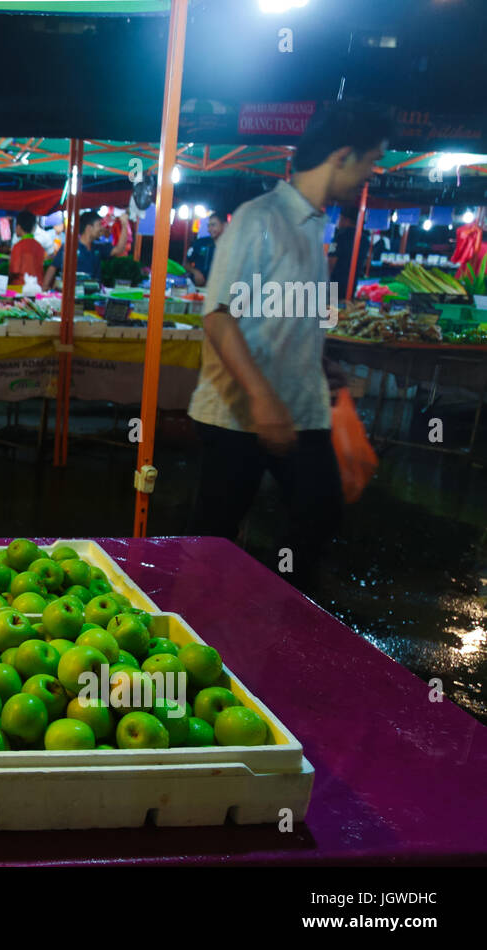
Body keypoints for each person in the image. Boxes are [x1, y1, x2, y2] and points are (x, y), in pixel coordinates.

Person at [186, 100, 391, 593]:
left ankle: (281, 628)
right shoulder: (260, 219)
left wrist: (319, 364)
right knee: (212, 541)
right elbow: (217, 317)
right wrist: (261, 396)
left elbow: (285, 317)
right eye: (370, 160)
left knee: (318, 518)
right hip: (237, 415)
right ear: (342, 156)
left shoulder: (314, 227)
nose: (373, 173)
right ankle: (197, 636)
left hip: (300, 411)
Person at [185, 211, 227, 287]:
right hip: (198, 289)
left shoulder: (231, 246)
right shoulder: (200, 243)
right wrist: (195, 272)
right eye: (208, 226)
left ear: (224, 225)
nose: (209, 229)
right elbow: (186, 264)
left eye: (213, 225)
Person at [8, 210, 47, 287]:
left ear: (18, 227)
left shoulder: (18, 246)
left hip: (20, 287)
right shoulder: (39, 246)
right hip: (37, 287)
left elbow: (14, 270)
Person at [328, 209, 357, 298]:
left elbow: (331, 263)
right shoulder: (363, 239)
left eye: (339, 219)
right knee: (347, 310)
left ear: (346, 220)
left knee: (332, 311)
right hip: (352, 284)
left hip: (335, 283)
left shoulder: (339, 237)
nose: (338, 222)